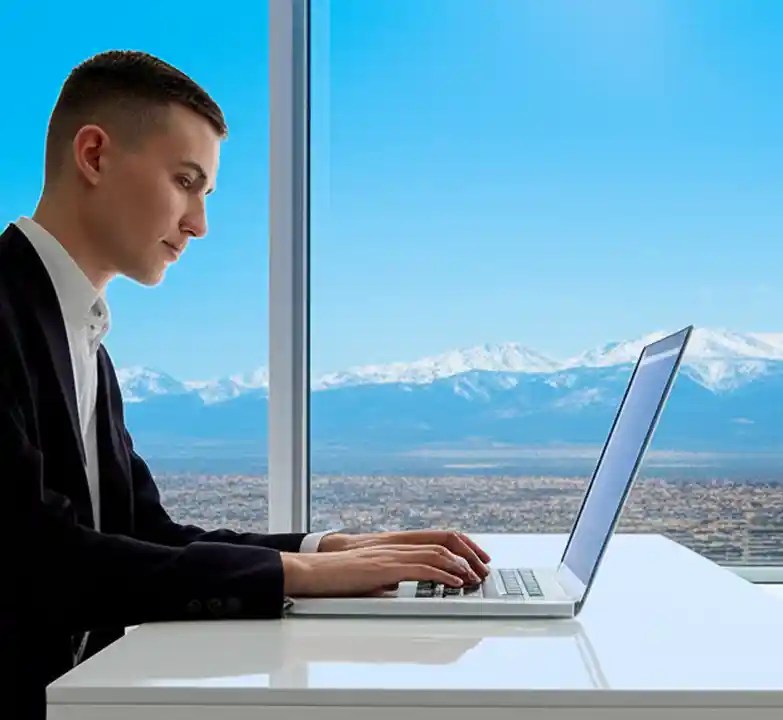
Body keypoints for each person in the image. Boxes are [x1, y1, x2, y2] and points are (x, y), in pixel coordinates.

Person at [0, 50, 493, 718]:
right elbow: (36, 559)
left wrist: (331, 549)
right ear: (94, 155)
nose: (198, 223)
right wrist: (305, 574)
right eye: (185, 181)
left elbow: (145, 534)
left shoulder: (81, 340)